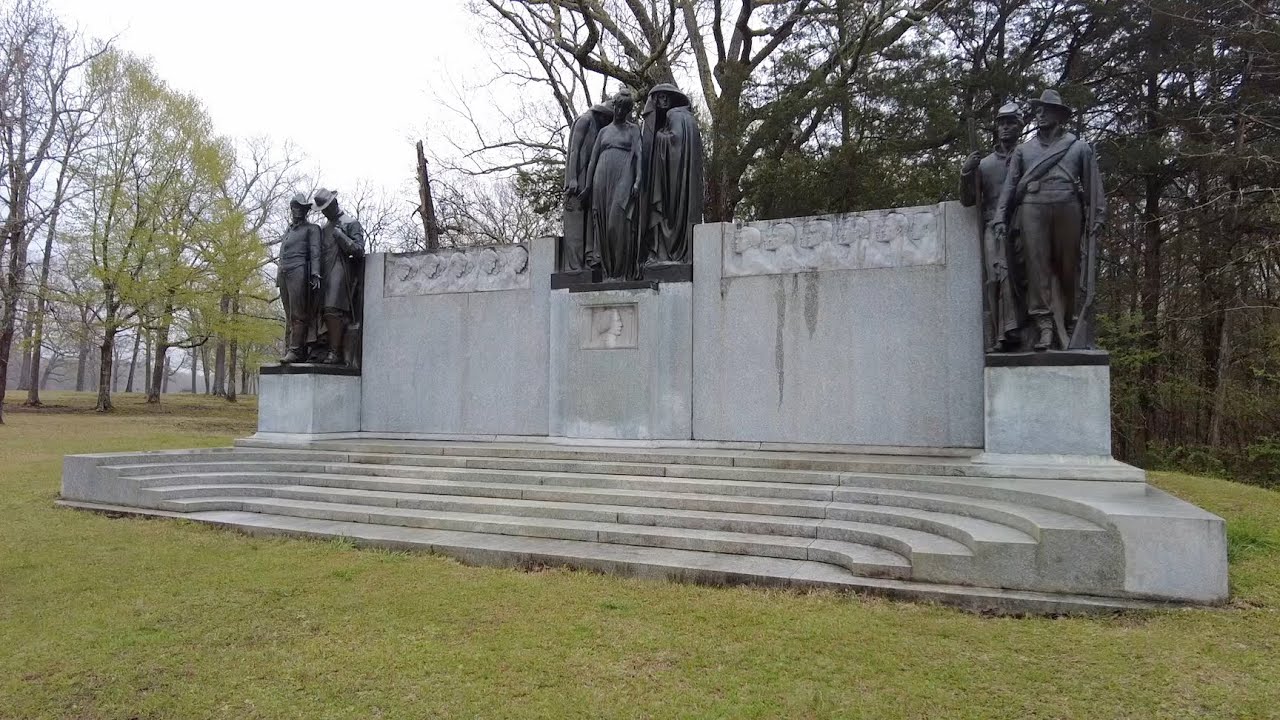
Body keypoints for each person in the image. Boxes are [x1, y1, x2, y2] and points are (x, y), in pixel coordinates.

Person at [992, 90, 1106, 351]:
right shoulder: (1024, 150)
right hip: (1033, 207)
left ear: (1059, 116)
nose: (1040, 115)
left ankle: (1068, 322)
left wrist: (1098, 214)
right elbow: (1010, 187)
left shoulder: (1079, 148)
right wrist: (1000, 215)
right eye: (1039, 110)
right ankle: (1044, 326)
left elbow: (1092, 185)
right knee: (1037, 268)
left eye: (1046, 110)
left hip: (1068, 206)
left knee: (1069, 267)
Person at [961, 102, 1026, 352]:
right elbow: (968, 200)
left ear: (1020, 127)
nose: (1005, 127)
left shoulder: (1027, 157)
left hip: (1022, 225)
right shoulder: (985, 164)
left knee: (1020, 277)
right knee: (996, 276)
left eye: (1011, 122)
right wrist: (967, 172)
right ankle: (1001, 333)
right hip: (992, 226)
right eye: (1002, 123)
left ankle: (1020, 328)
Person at [580, 89, 644, 281]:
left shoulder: (633, 130)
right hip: (602, 178)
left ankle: (621, 272)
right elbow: (593, 160)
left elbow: (640, 155)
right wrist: (588, 186)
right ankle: (609, 273)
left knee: (617, 224)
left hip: (624, 176)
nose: (619, 112)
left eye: (624, 109)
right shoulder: (604, 132)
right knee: (603, 225)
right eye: (618, 107)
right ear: (614, 106)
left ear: (628, 111)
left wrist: (638, 179)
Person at [640, 83, 704, 266]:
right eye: (659, 97)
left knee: (667, 210)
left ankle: (663, 253)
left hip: (671, 175)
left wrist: (659, 136)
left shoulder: (673, 115)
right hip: (683, 177)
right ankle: (669, 252)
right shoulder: (689, 118)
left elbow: (674, 140)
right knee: (674, 211)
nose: (664, 100)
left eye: (667, 96)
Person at [312, 188, 366, 365]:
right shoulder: (323, 229)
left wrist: (341, 236)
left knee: (332, 308)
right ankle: (321, 348)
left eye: (327, 207)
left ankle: (335, 353)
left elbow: (358, 251)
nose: (326, 212)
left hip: (342, 271)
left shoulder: (351, 223)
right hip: (324, 272)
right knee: (319, 311)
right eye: (323, 210)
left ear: (334, 203)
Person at [563, 102, 614, 271]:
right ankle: (575, 267)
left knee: (588, 221)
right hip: (577, 178)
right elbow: (574, 151)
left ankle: (587, 261)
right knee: (576, 222)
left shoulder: (597, 128)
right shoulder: (584, 121)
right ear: (602, 115)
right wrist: (572, 178)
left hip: (588, 178)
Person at [276, 193, 321, 363]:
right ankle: (291, 347)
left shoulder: (312, 229)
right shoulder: (289, 230)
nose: (297, 211)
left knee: (298, 313)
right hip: (284, 273)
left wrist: (315, 273)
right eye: (295, 207)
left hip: (299, 270)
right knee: (289, 315)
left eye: (301, 208)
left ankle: (296, 350)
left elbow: (315, 251)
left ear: (306, 210)